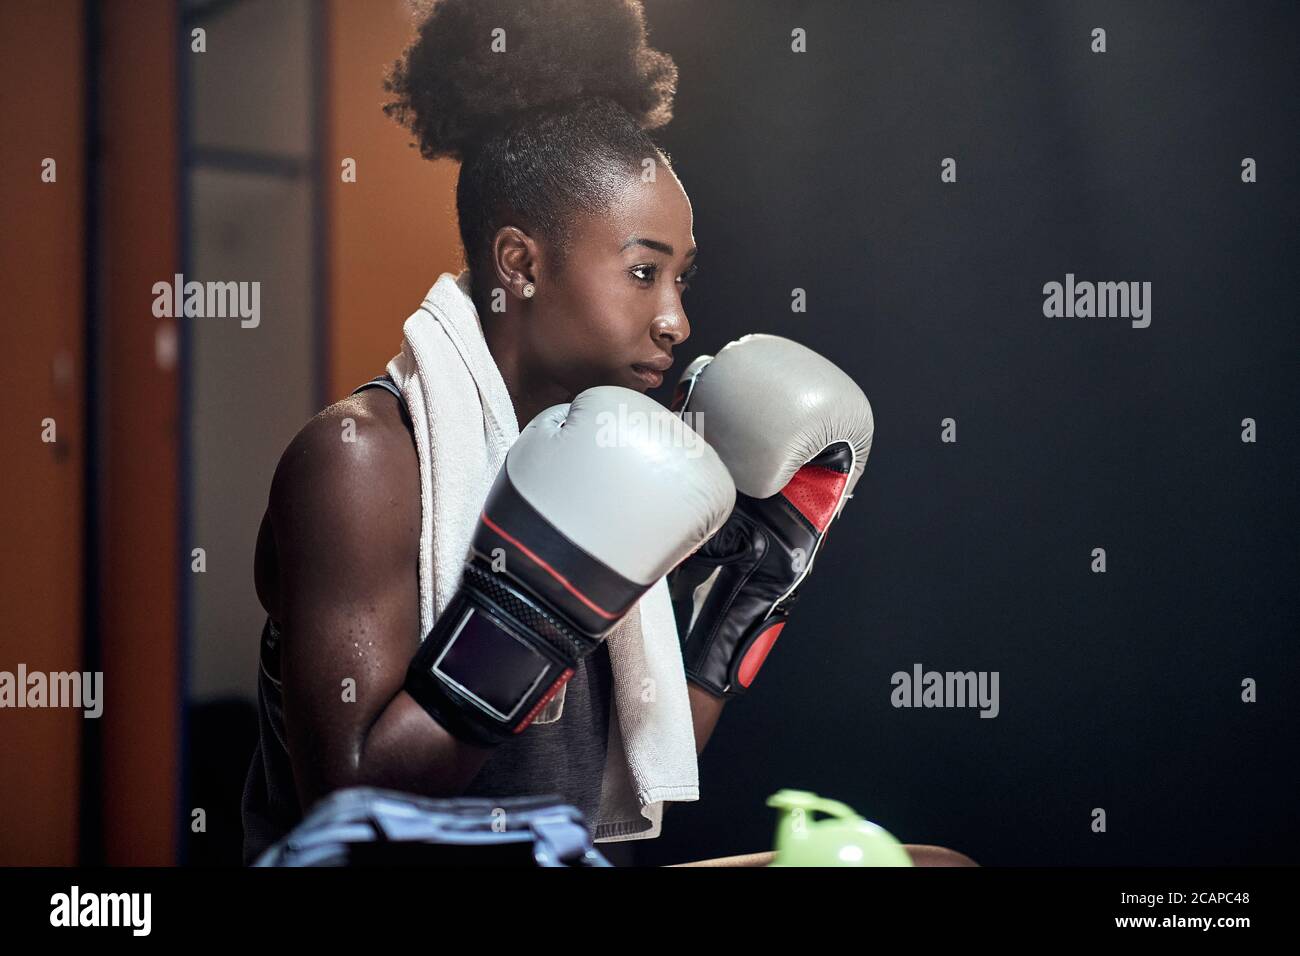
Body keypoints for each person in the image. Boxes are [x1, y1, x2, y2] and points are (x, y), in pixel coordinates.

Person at [240, 0, 711, 864]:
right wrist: (531, 609)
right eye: (644, 273)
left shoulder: (601, 460)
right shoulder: (364, 464)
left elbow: (643, 752)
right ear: (521, 264)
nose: (676, 319)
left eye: (681, 278)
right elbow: (348, 822)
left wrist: (748, 597)